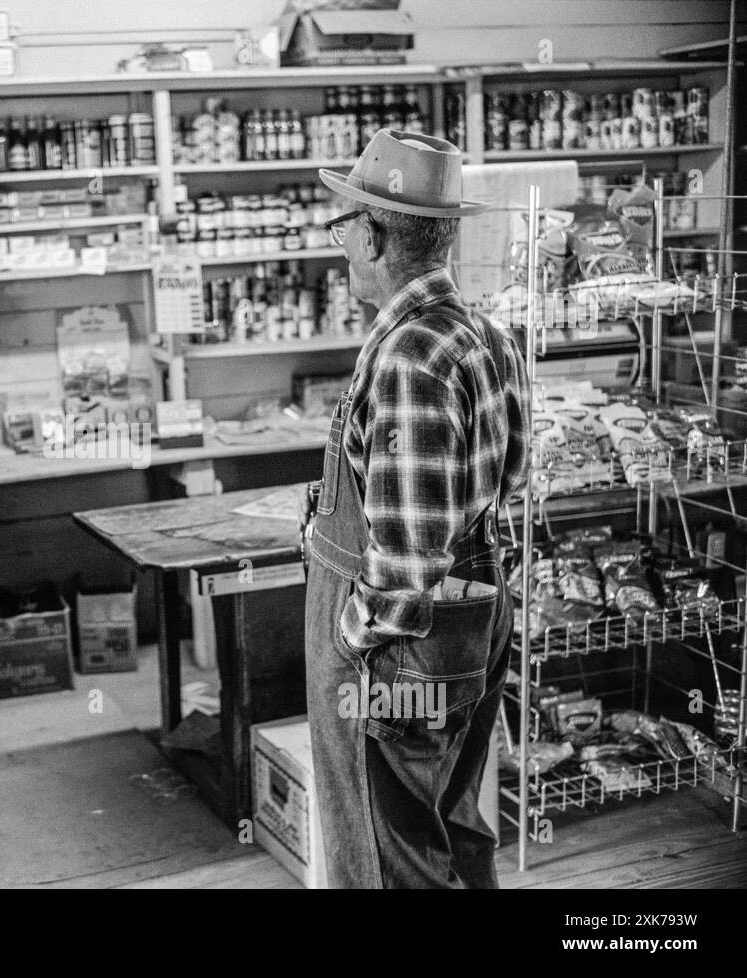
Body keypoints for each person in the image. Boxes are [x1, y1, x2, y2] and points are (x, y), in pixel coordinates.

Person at [299, 130, 529, 888]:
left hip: (409, 642)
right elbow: (513, 481)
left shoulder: (408, 354)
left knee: (388, 849)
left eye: (344, 226)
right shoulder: (485, 334)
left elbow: (406, 563)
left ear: (371, 234)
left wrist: (353, 637)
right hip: (475, 613)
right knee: (453, 821)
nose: (341, 243)